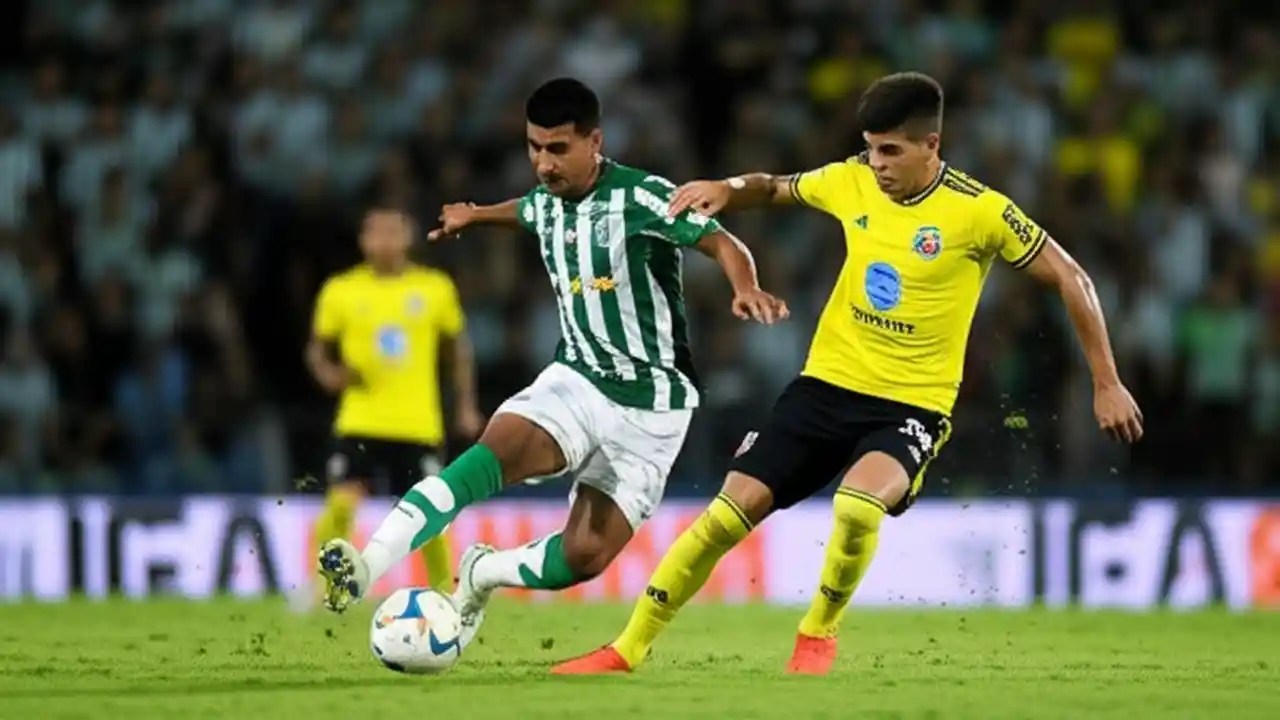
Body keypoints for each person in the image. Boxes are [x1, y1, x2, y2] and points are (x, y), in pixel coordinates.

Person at [551, 71, 1144, 676]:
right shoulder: (851, 179)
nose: (876, 163)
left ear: (931, 147)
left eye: (891, 150)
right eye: (870, 148)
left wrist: (1106, 381)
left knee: (857, 508)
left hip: (912, 404)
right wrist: (727, 188)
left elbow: (1073, 277)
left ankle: (818, 634)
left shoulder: (979, 211)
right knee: (728, 513)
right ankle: (627, 648)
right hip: (826, 386)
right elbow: (776, 187)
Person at [316, 78, 789, 650]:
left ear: (595, 142)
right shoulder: (548, 197)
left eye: (558, 149)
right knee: (488, 458)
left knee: (584, 559)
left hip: (654, 406)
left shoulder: (640, 197)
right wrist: (477, 214)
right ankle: (365, 567)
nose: (543, 163)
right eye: (534, 147)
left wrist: (746, 286)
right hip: (576, 380)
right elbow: (530, 210)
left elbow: (721, 242)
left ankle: (482, 573)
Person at [306, 206, 484, 605]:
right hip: (360, 420)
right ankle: (327, 587)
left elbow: (458, 351)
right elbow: (317, 350)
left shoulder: (435, 288)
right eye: (375, 232)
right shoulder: (341, 289)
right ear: (363, 240)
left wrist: (466, 406)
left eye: (393, 231)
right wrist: (329, 374)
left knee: (433, 515)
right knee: (339, 505)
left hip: (418, 424)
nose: (384, 241)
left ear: (409, 237)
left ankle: (446, 595)